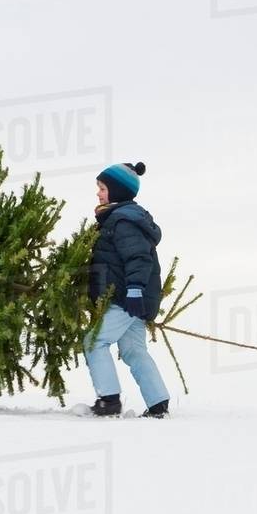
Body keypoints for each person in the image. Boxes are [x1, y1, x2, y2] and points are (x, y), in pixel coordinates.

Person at [84, 161, 171, 418]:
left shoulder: (124, 221)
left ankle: (109, 400)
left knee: (95, 341)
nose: (98, 193)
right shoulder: (121, 218)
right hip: (131, 297)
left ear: (117, 191)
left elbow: (138, 258)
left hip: (126, 297)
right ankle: (158, 403)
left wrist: (134, 290)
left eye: (102, 188)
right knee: (134, 350)